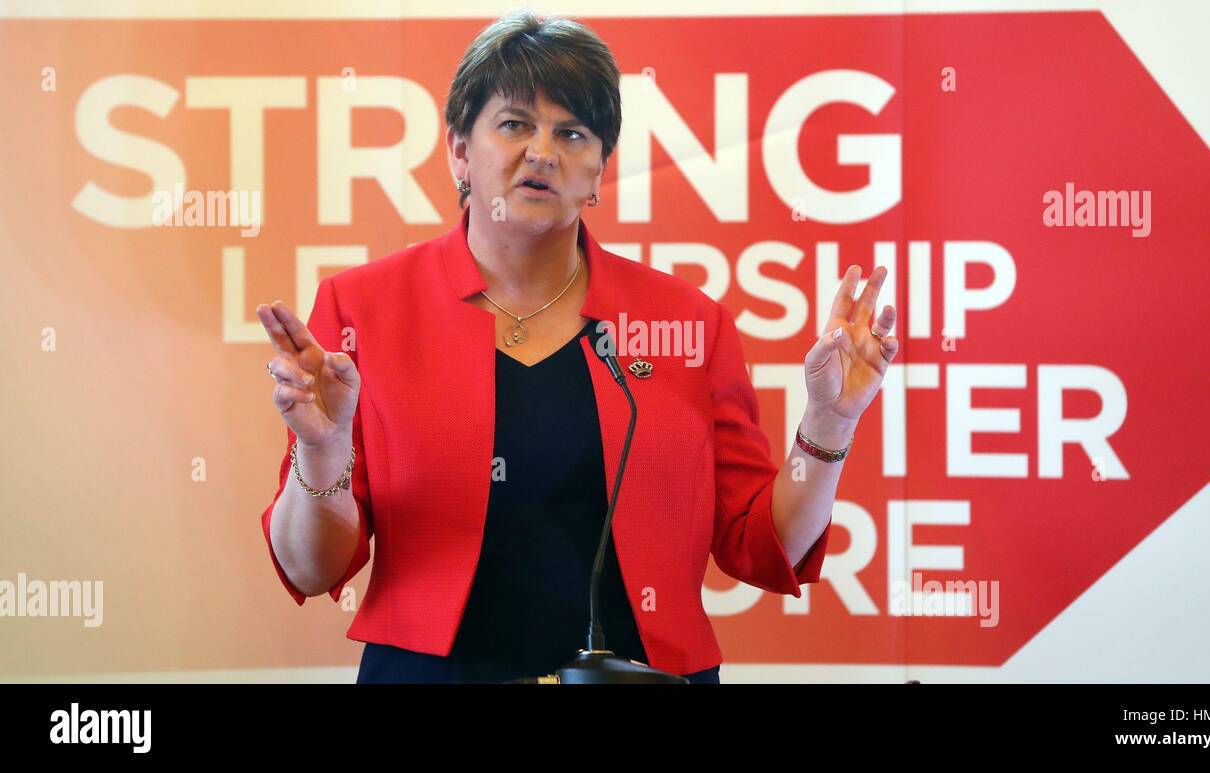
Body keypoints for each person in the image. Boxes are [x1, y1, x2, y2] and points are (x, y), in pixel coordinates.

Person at [256, 10, 899, 684]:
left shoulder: (686, 322)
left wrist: (829, 423)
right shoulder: (364, 309)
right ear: (458, 151)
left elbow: (759, 544)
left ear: (598, 172)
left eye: (572, 132)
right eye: (514, 124)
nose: (543, 151)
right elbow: (310, 565)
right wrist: (320, 448)